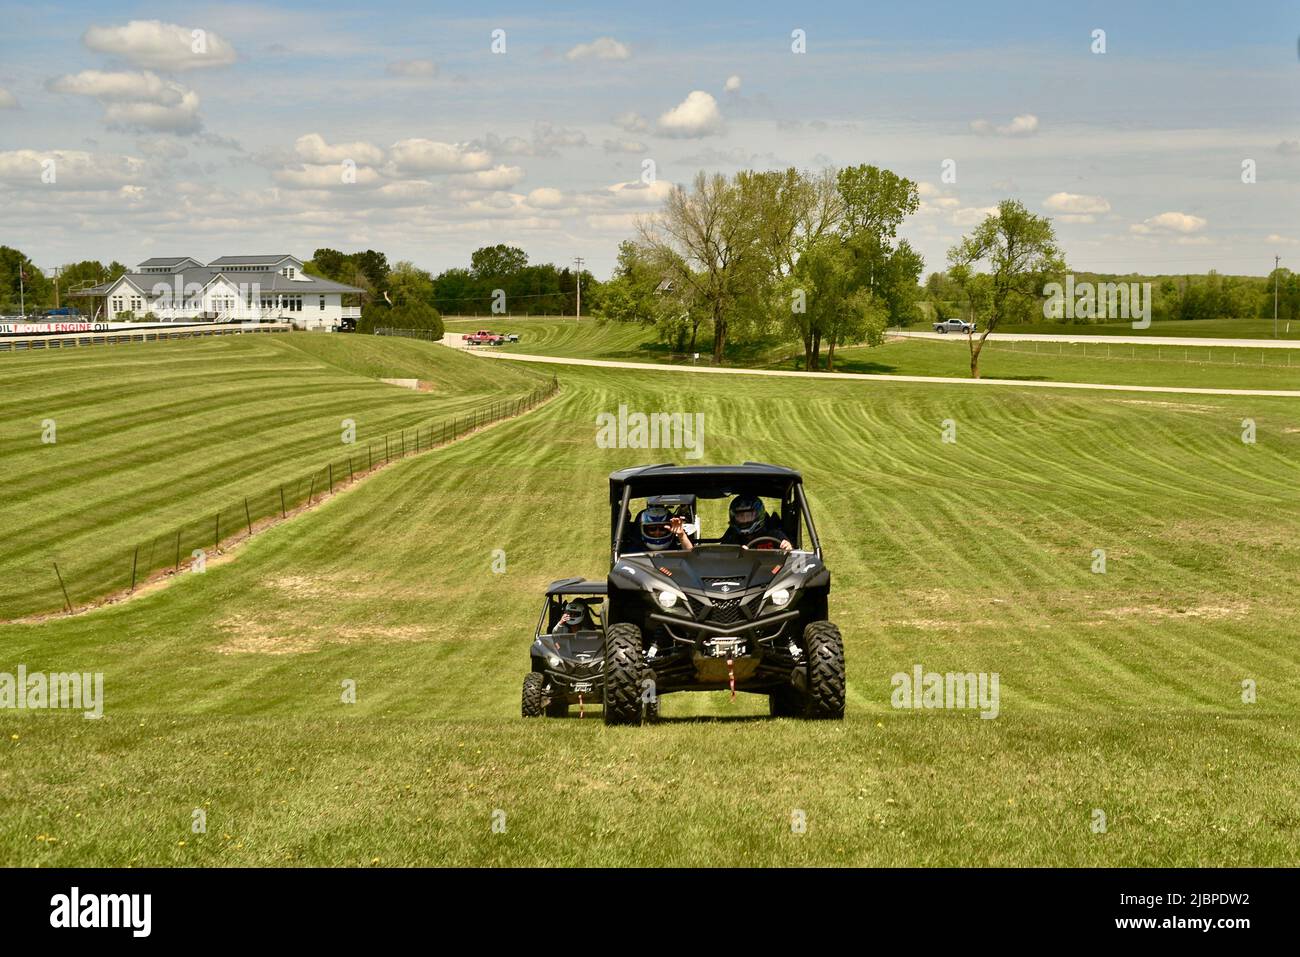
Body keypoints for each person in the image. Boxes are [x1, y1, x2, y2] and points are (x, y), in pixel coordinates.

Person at [720, 495, 792, 550]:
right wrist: (737, 554)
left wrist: (787, 546)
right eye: (741, 516)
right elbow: (722, 558)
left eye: (749, 515)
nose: (745, 519)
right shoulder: (731, 538)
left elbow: (790, 554)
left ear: (759, 515)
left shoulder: (774, 534)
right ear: (734, 518)